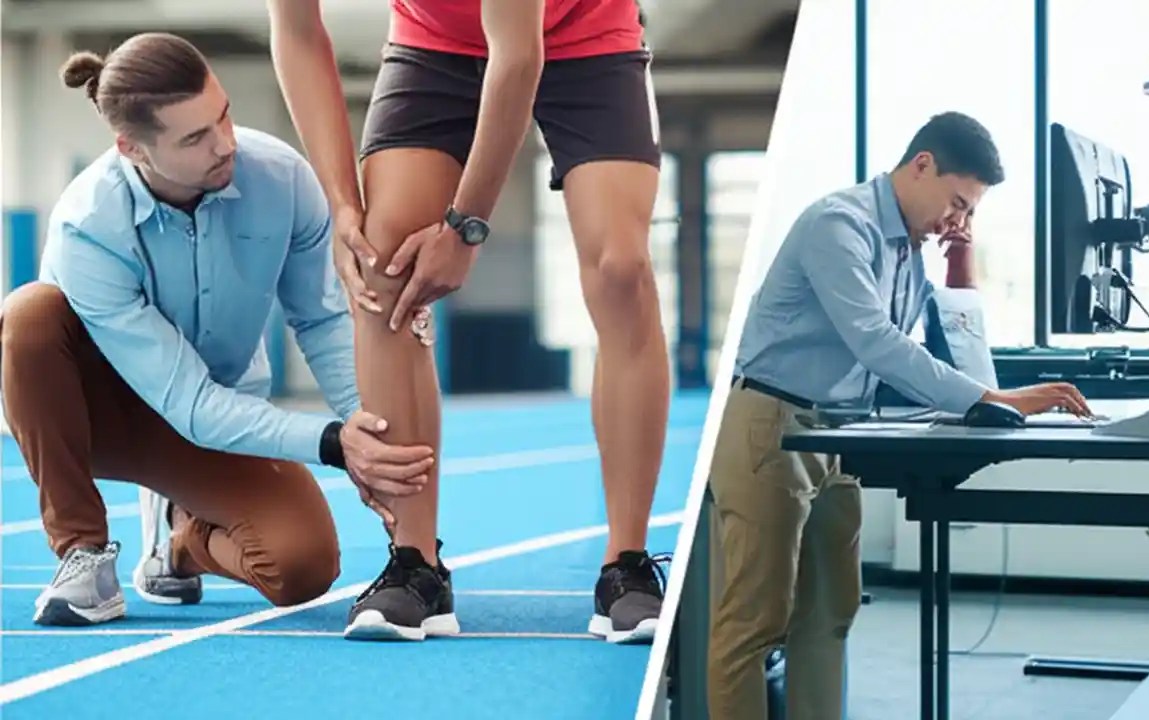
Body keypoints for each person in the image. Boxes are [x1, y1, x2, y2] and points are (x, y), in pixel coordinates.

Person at [266, 0, 670, 644]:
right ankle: (414, 565)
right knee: (382, 262)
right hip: (434, 44)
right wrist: (341, 204)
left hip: (589, 35)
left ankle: (627, 566)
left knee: (621, 270)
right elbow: (296, 32)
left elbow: (519, 57)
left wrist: (465, 227)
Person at [0, 33, 435, 627]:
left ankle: (178, 541)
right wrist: (336, 443)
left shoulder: (282, 180)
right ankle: (82, 551)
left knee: (302, 566)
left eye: (223, 115)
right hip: (103, 418)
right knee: (29, 315)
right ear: (133, 149)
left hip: (215, 413)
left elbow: (321, 319)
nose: (225, 143)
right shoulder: (88, 226)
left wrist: (369, 433)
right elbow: (185, 402)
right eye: (194, 138)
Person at [704, 111, 1092, 719]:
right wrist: (992, 401)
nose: (957, 220)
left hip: (838, 435)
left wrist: (958, 266)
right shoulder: (840, 224)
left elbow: (941, 349)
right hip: (771, 425)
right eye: (958, 203)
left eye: (970, 212)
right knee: (755, 624)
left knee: (830, 617)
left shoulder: (908, 252)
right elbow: (877, 342)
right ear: (922, 166)